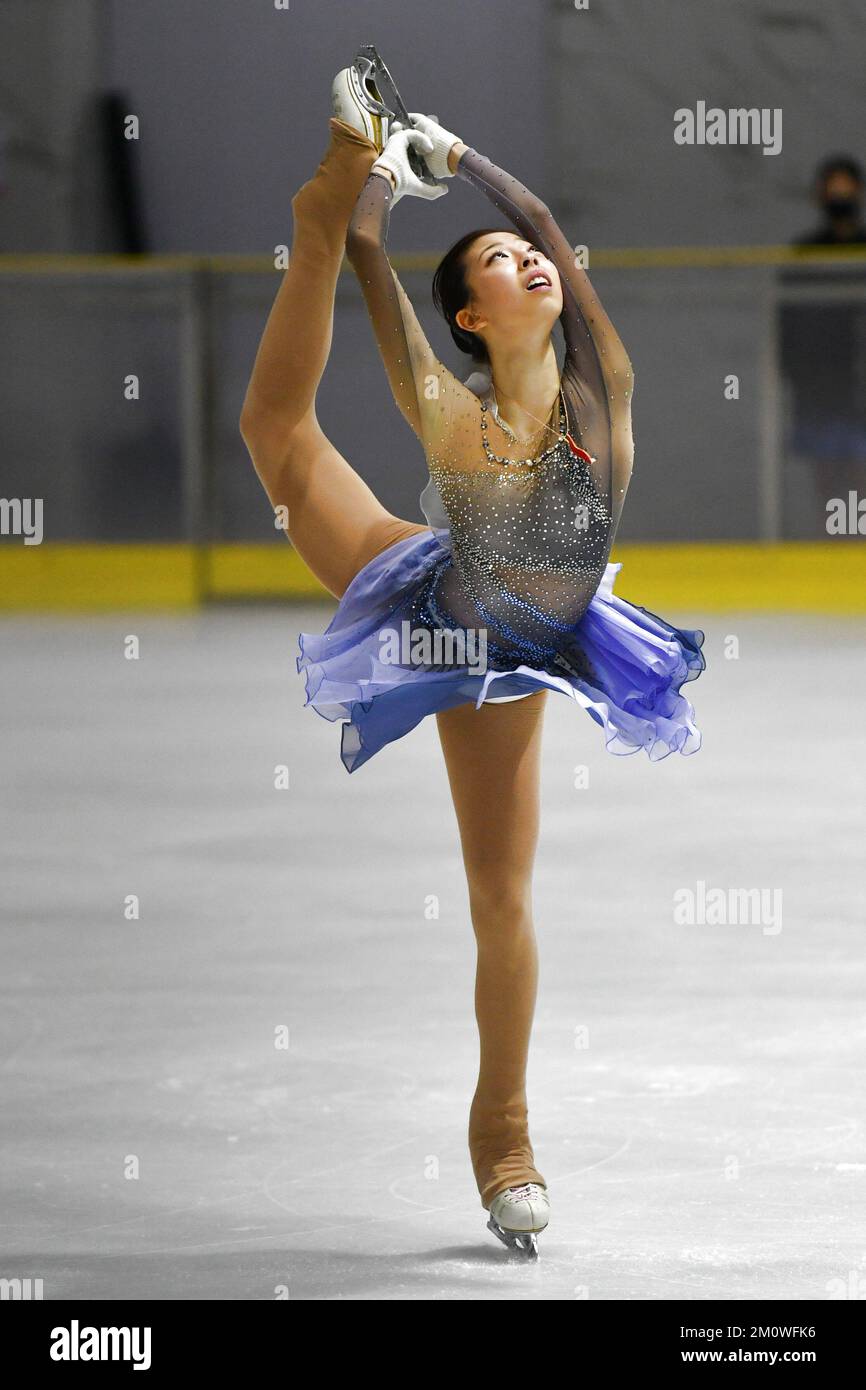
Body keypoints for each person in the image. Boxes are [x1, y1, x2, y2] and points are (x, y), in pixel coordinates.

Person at [240, 70, 705, 1256]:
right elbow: (372, 272)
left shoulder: (603, 392)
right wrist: (375, 189)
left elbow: (550, 227)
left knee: (501, 897)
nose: (524, 262)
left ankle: (503, 1132)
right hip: (439, 606)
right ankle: (314, 192)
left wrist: (469, 165)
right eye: (492, 264)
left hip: (526, 641)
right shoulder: (447, 413)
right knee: (277, 440)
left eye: (519, 256)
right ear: (467, 318)